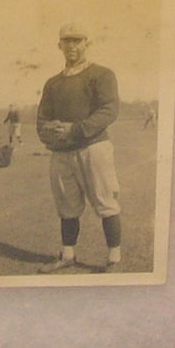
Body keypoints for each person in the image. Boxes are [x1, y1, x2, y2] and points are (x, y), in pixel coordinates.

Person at [35, 22, 122, 273]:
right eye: (67, 41)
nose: (72, 46)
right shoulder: (53, 83)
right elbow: (42, 118)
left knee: (105, 202)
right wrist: (50, 134)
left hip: (93, 147)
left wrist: (74, 129)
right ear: (59, 45)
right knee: (66, 206)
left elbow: (109, 110)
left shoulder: (102, 74)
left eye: (77, 40)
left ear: (87, 43)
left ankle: (114, 257)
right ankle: (68, 254)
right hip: (62, 153)